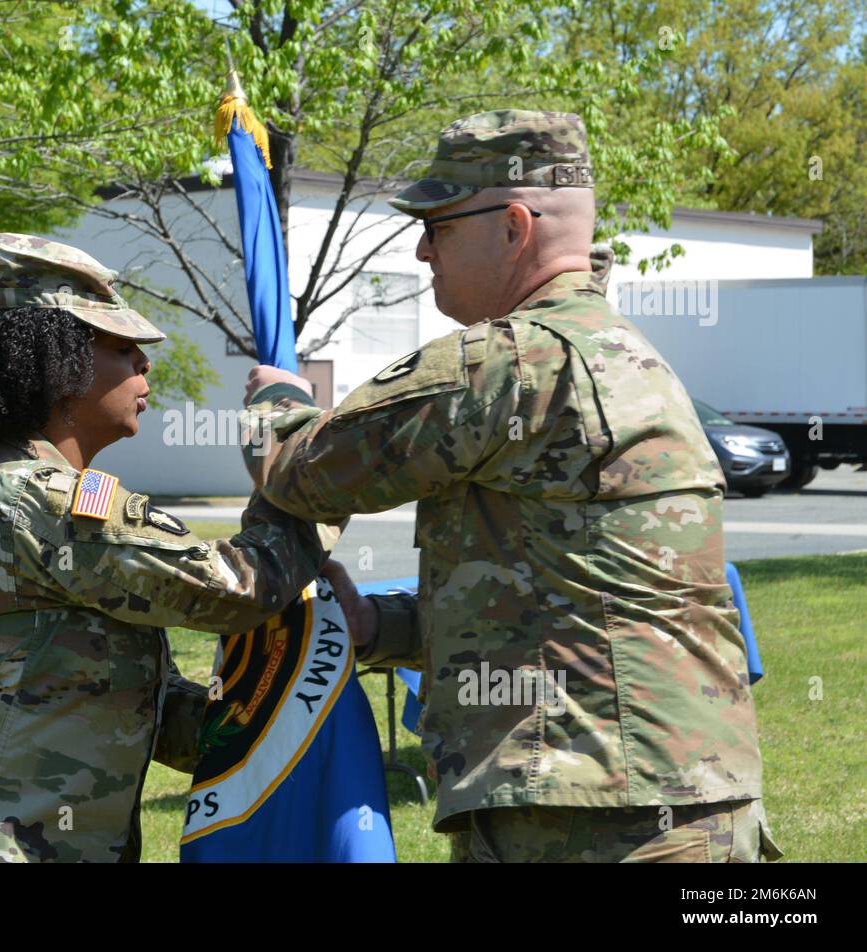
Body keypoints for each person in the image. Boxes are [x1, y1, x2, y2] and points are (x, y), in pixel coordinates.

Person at [244, 110, 782, 863]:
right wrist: (380, 628)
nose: (423, 249)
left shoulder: (513, 364)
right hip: (680, 804)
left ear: (514, 226)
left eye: (439, 224)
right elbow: (574, 602)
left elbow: (302, 470)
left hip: (583, 820)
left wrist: (275, 403)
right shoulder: (628, 356)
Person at [0, 233, 336, 863]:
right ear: (58, 366)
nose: (145, 367)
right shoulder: (35, 504)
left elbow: (144, 712)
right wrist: (295, 445)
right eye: (123, 349)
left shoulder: (30, 495)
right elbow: (239, 587)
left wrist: (303, 689)